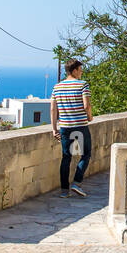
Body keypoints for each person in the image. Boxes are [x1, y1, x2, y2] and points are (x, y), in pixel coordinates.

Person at [50, 59, 93, 196]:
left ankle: (64, 191)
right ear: (74, 70)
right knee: (85, 154)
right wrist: (90, 116)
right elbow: (86, 105)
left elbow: (52, 109)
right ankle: (77, 183)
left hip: (65, 126)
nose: (81, 72)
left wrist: (54, 129)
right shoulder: (82, 85)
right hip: (80, 125)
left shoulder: (57, 87)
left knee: (66, 157)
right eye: (80, 70)